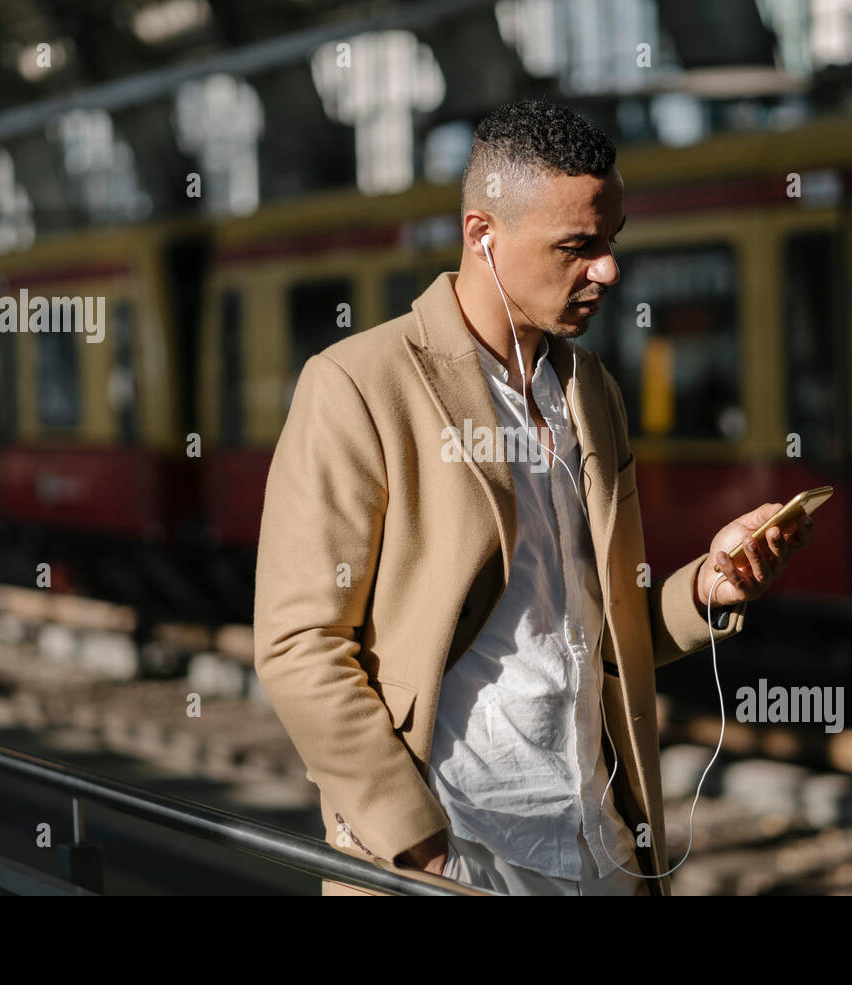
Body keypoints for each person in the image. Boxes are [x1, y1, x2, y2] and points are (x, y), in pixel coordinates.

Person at [253, 97, 813, 897]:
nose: (609, 270)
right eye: (578, 246)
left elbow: (589, 630)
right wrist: (420, 847)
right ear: (484, 236)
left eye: (612, 241)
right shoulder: (358, 385)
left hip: (600, 844)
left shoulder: (591, 391)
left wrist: (705, 587)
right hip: (461, 853)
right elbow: (299, 643)